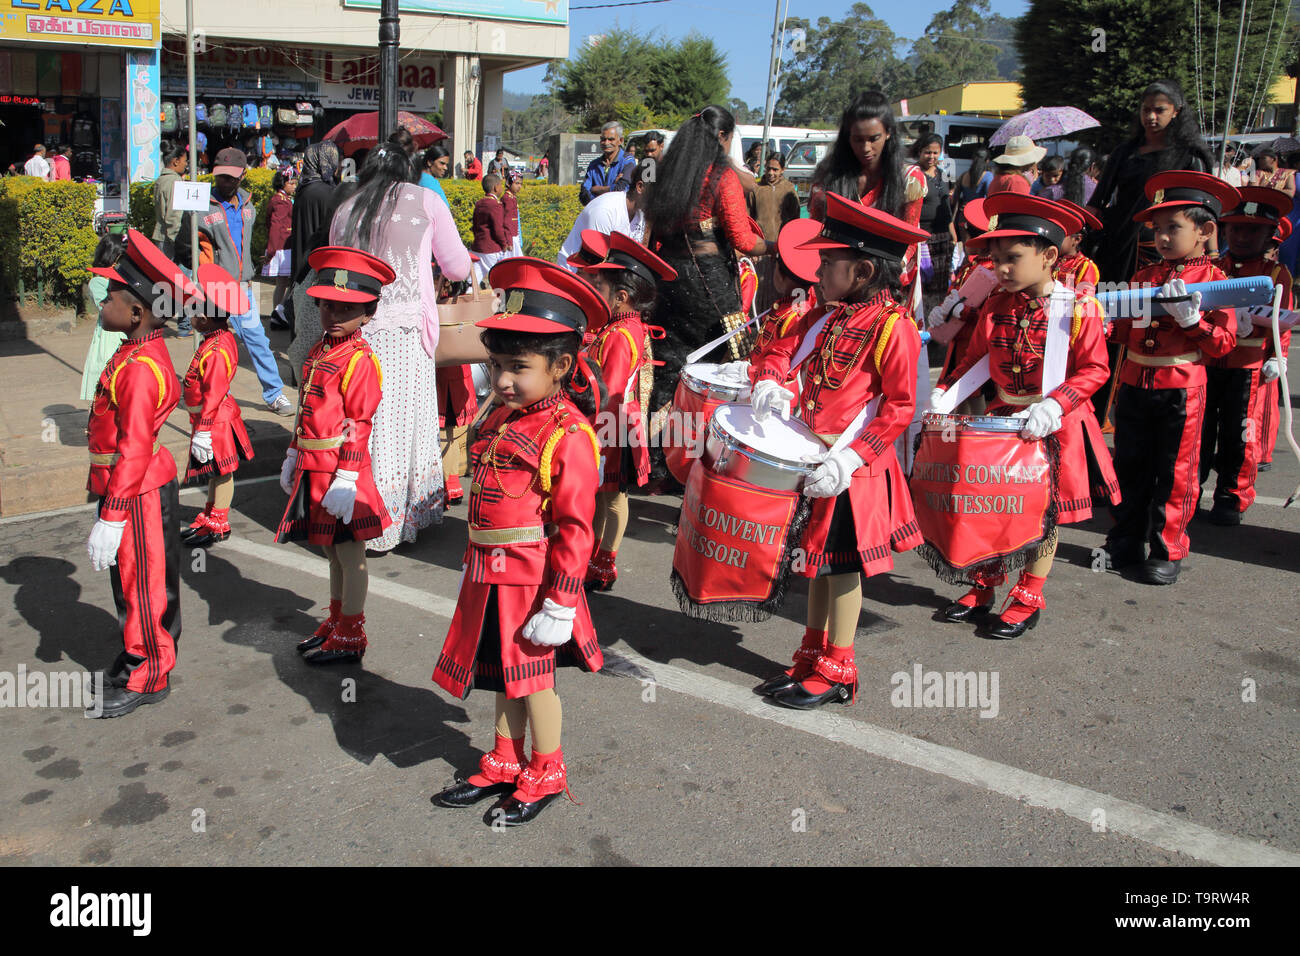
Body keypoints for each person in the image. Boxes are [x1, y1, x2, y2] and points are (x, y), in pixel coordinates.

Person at [431, 257, 606, 827]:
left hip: (532, 581)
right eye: (497, 364)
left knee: (533, 679)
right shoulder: (504, 419)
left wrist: (561, 599)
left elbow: (578, 527)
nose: (502, 380)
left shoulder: (568, 433)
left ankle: (548, 767)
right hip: (490, 571)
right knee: (503, 674)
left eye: (518, 368)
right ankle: (506, 758)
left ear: (560, 366)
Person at [748, 194, 925, 709]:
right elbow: (780, 351)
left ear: (864, 269)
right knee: (817, 564)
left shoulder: (895, 328)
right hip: (814, 461)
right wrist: (770, 382)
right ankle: (811, 652)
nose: (818, 269)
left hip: (853, 471)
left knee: (842, 569)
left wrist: (850, 458)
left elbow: (898, 406)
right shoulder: (825, 317)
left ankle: (839, 666)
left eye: (828, 261)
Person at [932, 195, 1119, 637]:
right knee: (994, 507)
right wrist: (943, 394)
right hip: (1001, 423)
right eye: (996, 260)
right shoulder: (996, 305)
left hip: (1054, 426)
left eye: (1013, 258)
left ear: (1050, 256)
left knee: (1042, 515)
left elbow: (1095, 369)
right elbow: (975, 360)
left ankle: (1029, 592)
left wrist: (1056, 404)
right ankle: (985, 582)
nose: (1001, 269)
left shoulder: (1079, 307)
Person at [330, 144, 473, 553]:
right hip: (404, 332)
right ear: (407, 170)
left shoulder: (346, 206)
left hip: (353, 327)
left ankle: (351, 508)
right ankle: (393, 517)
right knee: (398, 421)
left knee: (361, 419)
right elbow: (458, 267)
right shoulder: (425, 200)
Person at [1104, 171, 1239, 585]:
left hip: (1180, 387)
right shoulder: (1144, 277)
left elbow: (1224, 343)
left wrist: (1194, 322)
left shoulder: (1216, 281)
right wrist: (1106, 321)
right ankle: (1125, 539)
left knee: (1175, 472)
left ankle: (1167, 547)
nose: (1162, 237)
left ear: (1205, 231)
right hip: (1134, 383)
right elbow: (1127, 333)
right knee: (1129, 465)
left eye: (1173, 228)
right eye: (1158, 229)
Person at [84, 230, 188, 718]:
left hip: (137, 489)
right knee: (134, 584)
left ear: (137, 311)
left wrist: (113, 513)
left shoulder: (142, 365)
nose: (101, 302)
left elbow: (133, 446)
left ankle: (148, 673)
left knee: (142, 584)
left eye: (110, 296)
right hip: (133, 486)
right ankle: (138, 652)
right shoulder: (134, 349)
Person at [276, 247, 394, 664]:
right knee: (329, 550)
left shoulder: (360, 359)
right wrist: (293, 454)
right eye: (327, 304)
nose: (334, 314)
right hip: (316, 469)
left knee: (349, 553)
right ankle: (336, 617)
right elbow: (306, 413)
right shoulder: (319, 351)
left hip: (343, 474)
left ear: (368, 313)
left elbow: (359, 423)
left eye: (348, 307)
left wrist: (347, 477)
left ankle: (352, 631)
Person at [643, 105, 769, 485]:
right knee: (729, 368)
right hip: (709, 286)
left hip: (667, 281)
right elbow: (743, 240)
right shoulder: (721, 175)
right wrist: (779, 246)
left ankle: (654, 463)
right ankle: (712, 463)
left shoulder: (666, 173)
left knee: (667, 372)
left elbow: (651, 235)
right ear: (725, 138)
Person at [579, 231, 675, 590]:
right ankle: (598, 554)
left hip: (610, 425)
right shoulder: (620, 326)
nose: (594, 289)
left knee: (612, 496)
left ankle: (605, 561)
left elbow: (611, 387)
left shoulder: (621, 333)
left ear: (620, 297)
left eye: (600, 285)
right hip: (611, 422)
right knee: (605, 495)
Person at [1203, 186, 1294, 523]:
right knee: (1199, 432)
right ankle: (1190, 491)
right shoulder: (1213, 268)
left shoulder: (1275, 274)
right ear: (1224, 229)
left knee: (1239, 435)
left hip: (1247, 367)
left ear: (1270, 235)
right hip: (1208, 362)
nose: (1242, 236)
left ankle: (1231, 496)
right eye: (1236, 228)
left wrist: (1278, 357)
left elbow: (1282, 322)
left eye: (1253, 230)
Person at [180, 147, 294, 416]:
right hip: (212, 287)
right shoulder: (202, 206)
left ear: (242, 175)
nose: (225, 182)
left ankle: (274, 394)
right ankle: (206, 392)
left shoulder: (249, 206)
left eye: (231, 177)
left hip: (242, 286)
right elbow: (186, 243)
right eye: (221, 176)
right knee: (210, 344)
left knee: (257, 339)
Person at [1088, 79, 1214, 281]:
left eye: (1159, 110)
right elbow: (1097, 202)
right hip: (1118, 242)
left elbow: (1203, 210)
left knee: (1159, 304)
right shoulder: (1124, 153)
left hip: (1168, 245)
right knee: (1117, 303)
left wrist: (1211, 252)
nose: (1151, 116)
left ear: (1176, 111)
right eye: (1146, 110)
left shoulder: (1190, 156)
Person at [179, 265, 255, 548]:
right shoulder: (214, 339)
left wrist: (204, 430)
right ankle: (210, 515)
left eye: (198, 311)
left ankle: (219, 522)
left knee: (222, 472)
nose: (193, 315)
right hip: (210, 420)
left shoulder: (218, 347)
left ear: (211, 317)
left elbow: (214, 392)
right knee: (213, 471)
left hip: (216, 421)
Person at [288, 141, 344, 370]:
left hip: (302, 262)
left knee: (301, 321)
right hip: (317, 263)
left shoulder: (304, 188)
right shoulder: (326, 192)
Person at [556, 162, 647, 270]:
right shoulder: (605, 210)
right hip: (577, 275)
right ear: (640, 187)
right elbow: (595, 268)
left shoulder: (642, 214)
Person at [79, 235, 128, 401]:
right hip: (111, 335)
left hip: (128, 332)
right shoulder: (98, 282)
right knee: (109, 378)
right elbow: (108, 309)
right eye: (118, 260)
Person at [914, 133, 955, 309]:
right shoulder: (914, 175)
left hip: (943, 235)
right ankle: (923, 314)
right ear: (920, 152)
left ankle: (937, 311)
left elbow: (946, 206)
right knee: (925, 279)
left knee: (941, 279)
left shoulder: (943, 174)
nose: (931, 157)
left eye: (935, 153)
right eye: (927, 152)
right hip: (924, 236)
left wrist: (953, 235)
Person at [263, 170, 296, 327]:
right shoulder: (281, 201)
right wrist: (272, 250)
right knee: (287, 283)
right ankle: (279, 312)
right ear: (283, 184)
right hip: (282, 247)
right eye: (291, 183)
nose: (294, 186)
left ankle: (277, 312)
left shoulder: (280, 198)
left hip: (281, 246)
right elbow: (275, 226)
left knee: (282, 283)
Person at [1052, 198, 1102, 295]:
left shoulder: (1084, 266)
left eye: (1059, 235)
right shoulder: (1047, 258)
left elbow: (1083, 299)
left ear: (1077, 239)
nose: (1053, 239)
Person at [580, 121, 636, 206]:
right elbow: (583, 194)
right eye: (603, 139)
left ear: (620, 140)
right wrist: (611, 188)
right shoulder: (593, 165)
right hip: (597, 212)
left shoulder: (627, 161)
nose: (606, 143)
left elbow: (622, 190)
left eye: (611, 139)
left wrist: (596, 189)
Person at [471, 172, 509, 283]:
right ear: (496, 187)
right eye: (501, 185)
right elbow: (498, 229)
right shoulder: (495, 205)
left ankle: (467, 293)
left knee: (476, 274)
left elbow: (474, 225)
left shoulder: (479, 203)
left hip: (478, 246)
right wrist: (504, 244)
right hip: (491, 248)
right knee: (500, 276)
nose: (502, 188)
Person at [152, 145, 188, 259]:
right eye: (185, 161)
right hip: (170, 239)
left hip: (161, 237)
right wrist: (179, 241)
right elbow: (173, 214)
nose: (186, 164)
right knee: (176, 276)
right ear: (176, 162)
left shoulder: (161, 179)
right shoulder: (174, 181)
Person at [418, 141, 451, 206]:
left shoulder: (418, 177)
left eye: (446, 164)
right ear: (430, 162)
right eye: (442, 163)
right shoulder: (429, 182)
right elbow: (443, 208)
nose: (445, 168)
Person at [502, 169, 523, 258]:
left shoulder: (512, 198)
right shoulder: (507, 199)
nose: (519, 186)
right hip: (510, 237)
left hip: (514, 235)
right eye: (517, 183)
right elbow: (506, 221)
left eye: (521, 184)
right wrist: (509, 241)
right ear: (508, 183)